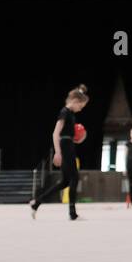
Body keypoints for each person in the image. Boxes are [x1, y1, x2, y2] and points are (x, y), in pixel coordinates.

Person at [30, 84, 90, 221]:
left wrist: (76, 140)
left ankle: (36, 203)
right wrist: (57, 152)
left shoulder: (70, 113)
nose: (81, 109)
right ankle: (72, 213)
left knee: (65, 182)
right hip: (65, 146)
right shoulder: (64, 112)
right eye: (81, 106)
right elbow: (55, 132)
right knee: (74, 178)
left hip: (68, 144)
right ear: (75, 101)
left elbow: (66, 134)